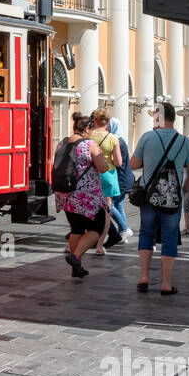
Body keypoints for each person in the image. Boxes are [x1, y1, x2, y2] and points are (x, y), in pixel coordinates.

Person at [130, 101, 189, 295]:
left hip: (149, 195)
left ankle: (143, 277)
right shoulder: (185, 141)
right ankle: (166, 283)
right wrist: (183, 191)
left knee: (146, 233)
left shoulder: (147, 137)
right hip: (172, 197)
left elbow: (133, 164)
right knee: (169, 237)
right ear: (173, 118)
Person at [52, 113, 111, 280]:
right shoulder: (89, 144)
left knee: (76, 229)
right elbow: (103, 168)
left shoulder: (62, 143)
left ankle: (77, 267)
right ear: (86, 128)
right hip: (86, 197)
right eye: (91, 129)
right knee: (96, 229)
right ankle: (75, 256)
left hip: (65, 193)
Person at [89, 108, 124, 255]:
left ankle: (86, 239)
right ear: (108, 122)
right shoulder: (113, 138)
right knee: (106, 212)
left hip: (91, 176)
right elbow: (118, 162)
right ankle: (99, 245)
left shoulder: (89, 136)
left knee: (89, 210)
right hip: (108, 176)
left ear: (95, 121)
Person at [107, 116, 133, 237]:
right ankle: (123, 233)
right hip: (126, 177)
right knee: (118, 205)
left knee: (110, 205)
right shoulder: (121, 140)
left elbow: (117, 162)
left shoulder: (116, 142)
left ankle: (124, 229)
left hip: (121, 179)